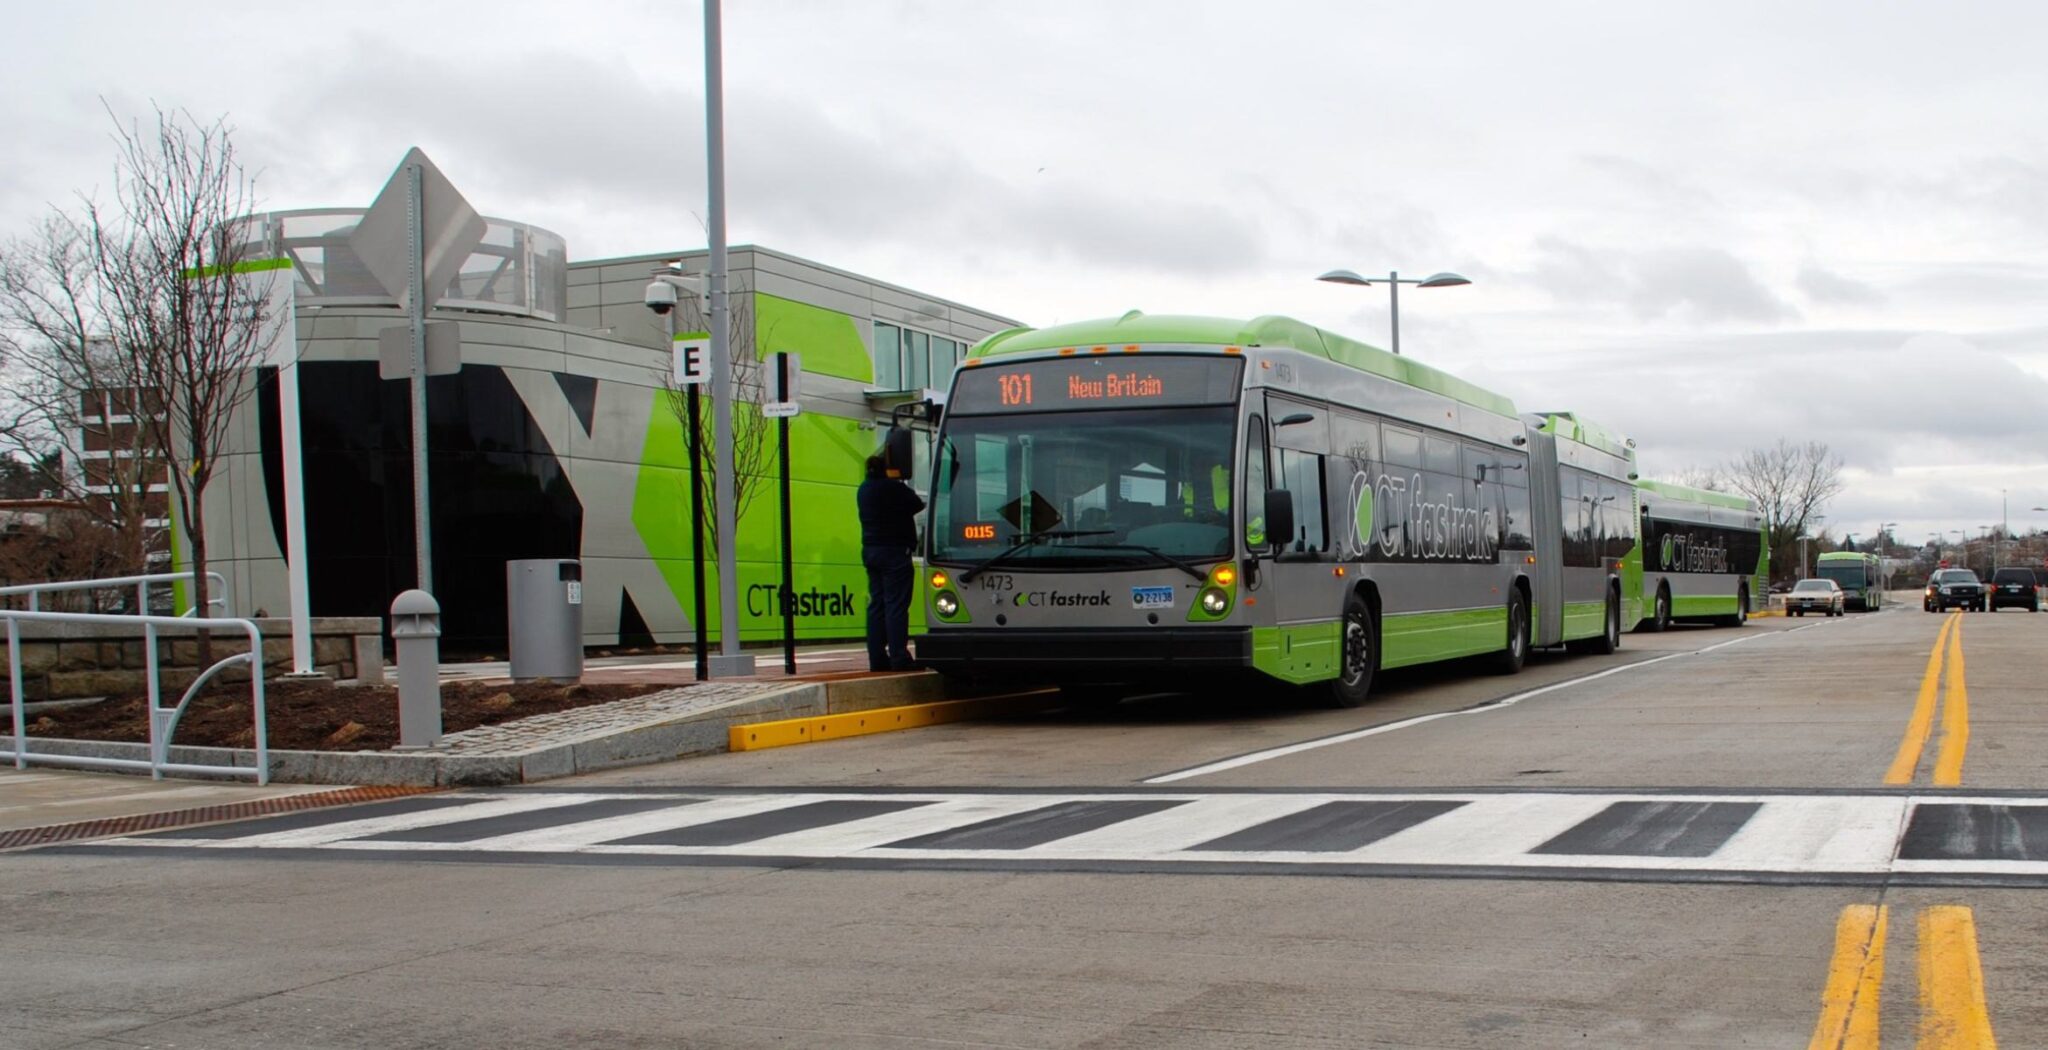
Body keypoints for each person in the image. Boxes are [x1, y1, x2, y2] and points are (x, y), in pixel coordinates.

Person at [857, 453, 924, 671]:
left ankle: (876, 658)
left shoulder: (864, 490)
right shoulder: (893, 488)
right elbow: (916, 503)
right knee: (896, 605)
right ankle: (899, 656)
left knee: (877, 604)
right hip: (894, 551)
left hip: (871, 550)